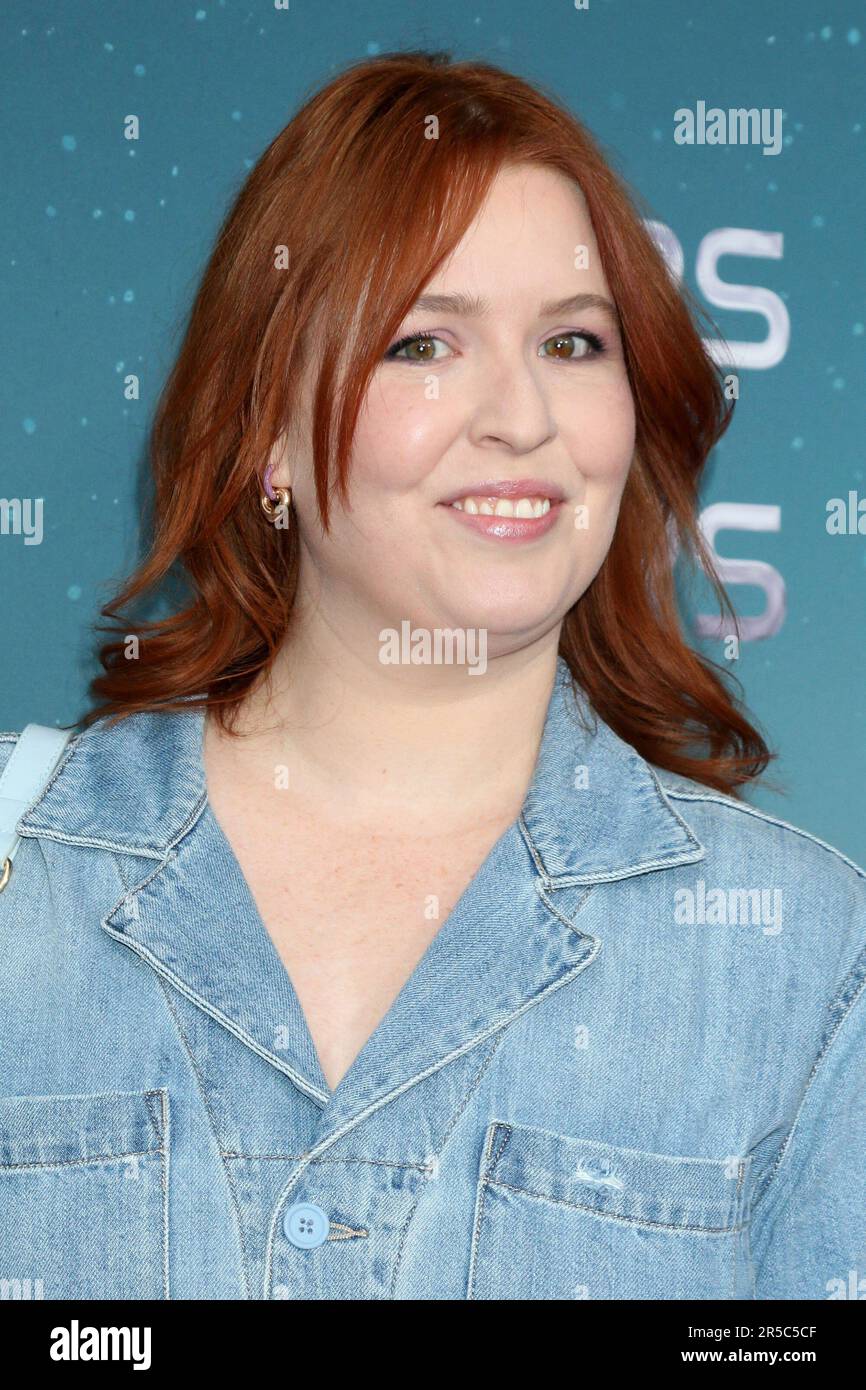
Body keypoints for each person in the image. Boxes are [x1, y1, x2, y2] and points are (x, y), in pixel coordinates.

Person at [1, 50, 863, 1302]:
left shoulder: (801, 955)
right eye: (422, 342)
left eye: (573, 341)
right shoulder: (25, 866)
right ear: (266, 437)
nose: (519, 416)